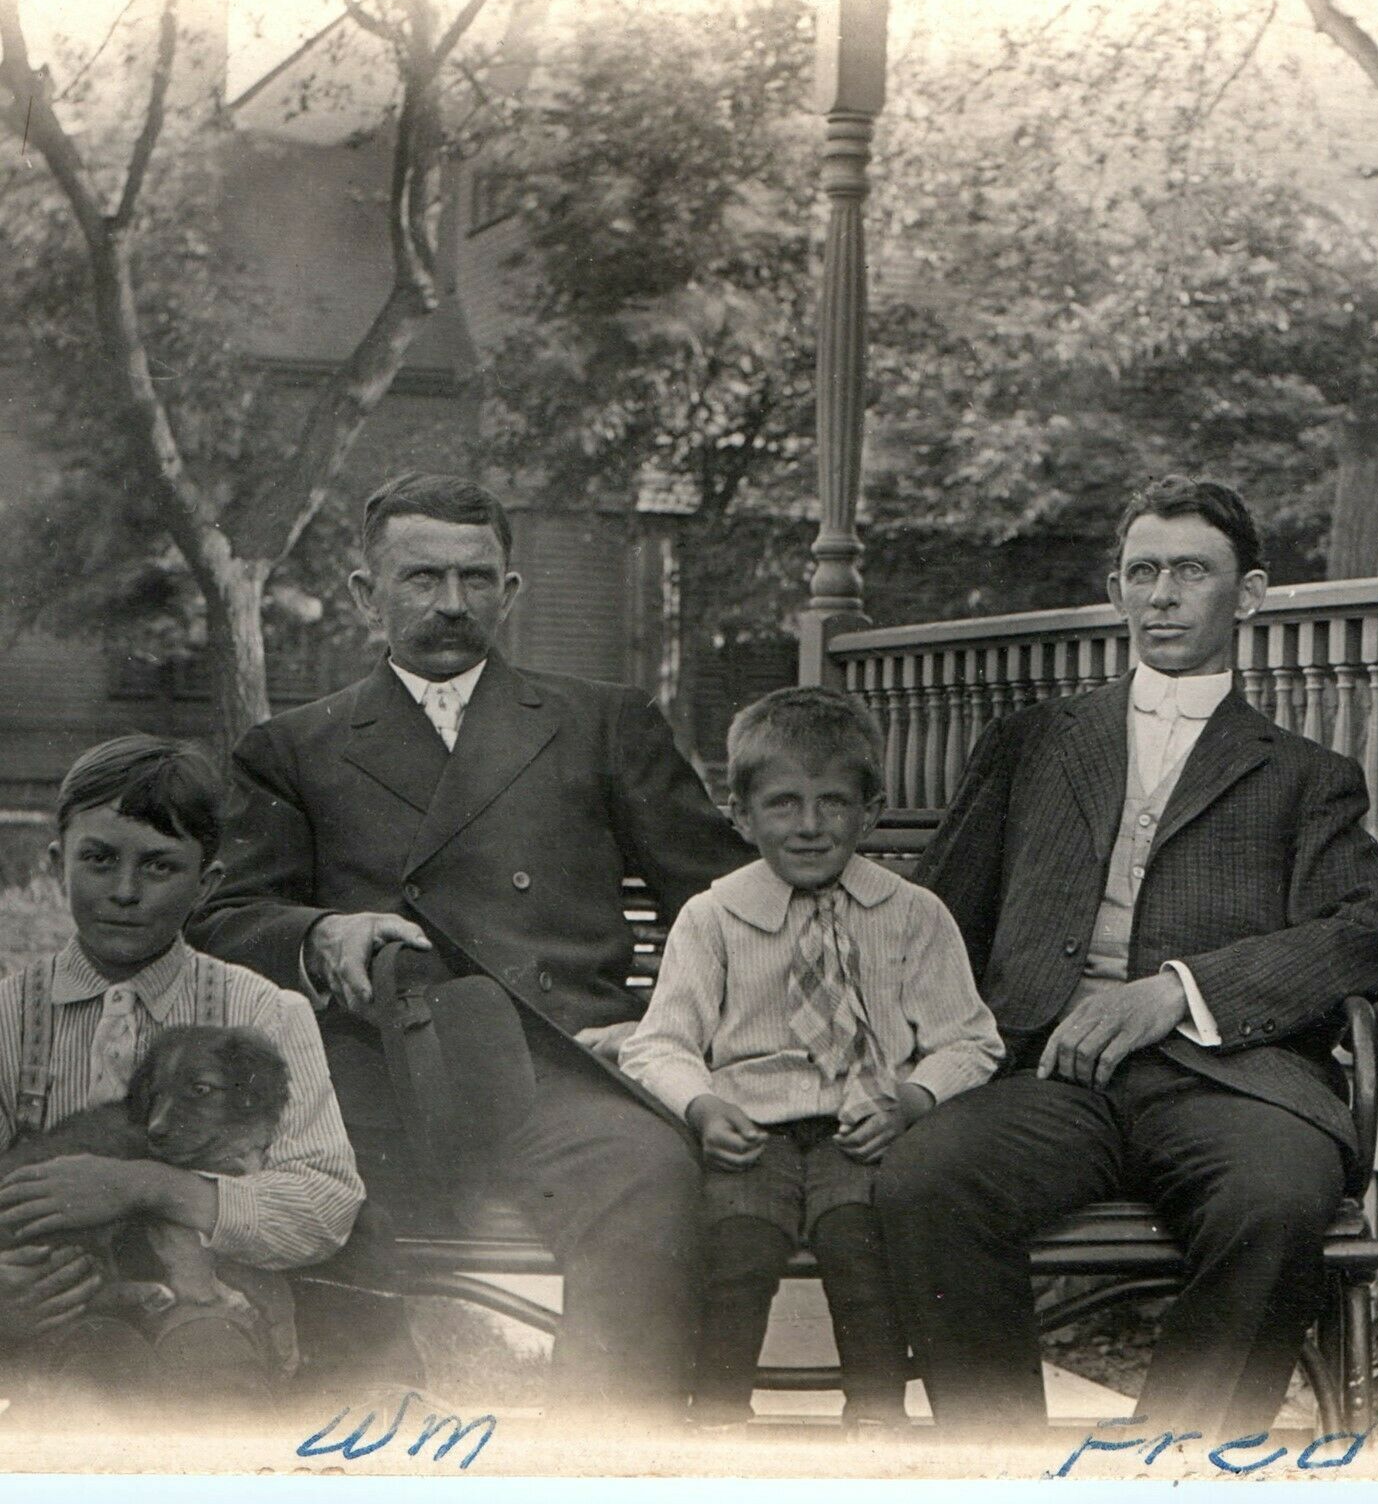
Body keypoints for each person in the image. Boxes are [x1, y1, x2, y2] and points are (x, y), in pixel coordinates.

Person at [187, 471, 751, 1426]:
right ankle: (369, 1446)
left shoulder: (602, 723)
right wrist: (322, 932)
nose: (452, 605)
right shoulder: (295, 746)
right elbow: (224, 916)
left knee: (647, 1175)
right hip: (377, 1072)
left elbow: (725, 902)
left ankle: (608, 1458)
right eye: (421, 579)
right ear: (367, 595)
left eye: (476, 578)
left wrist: (661, 1035)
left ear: (510, 590)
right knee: (325, 1194)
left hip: (557, 1059)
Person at [875, 475, 1378, 1440]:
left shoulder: (1305, 776)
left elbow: (1370, 936)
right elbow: (934, 916)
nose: (1162, 595)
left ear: (1246, 595)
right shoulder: (1032, 743)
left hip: (1230, 1082)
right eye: (1143, 572)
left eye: (1191, 573)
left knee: (1281, 1196)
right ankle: (993, 1470)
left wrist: (1181, 991)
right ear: (1118, 589)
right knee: (926, 1180)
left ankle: (1176, 1467)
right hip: (1045, 1072)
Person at [621, 688, 1002, 1430]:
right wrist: (702, 1107)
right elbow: (661, 1042)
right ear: (742, 814)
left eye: (832, 803)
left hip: (863, 1129)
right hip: (751, 1134)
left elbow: (968, 1037)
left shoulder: (912, 914)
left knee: (864, 1251)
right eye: (784, 804)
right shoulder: (714, 917)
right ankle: (718, 1421)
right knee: (735, 1252)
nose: (809, 826)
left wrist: (914, 1100)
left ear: (872, 811)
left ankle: (875, 1424)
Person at [0, 736, 362, 1412]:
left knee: (212, 1388)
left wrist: (147, 1186)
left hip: (219, 1308)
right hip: (52, 1308)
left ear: (208, 884)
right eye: (99, 860)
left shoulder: (264, 1012)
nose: (126, 892)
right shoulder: (8, 1019)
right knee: (85, 1395)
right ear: (57, 867)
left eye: (160, 867)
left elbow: (325, 1203)